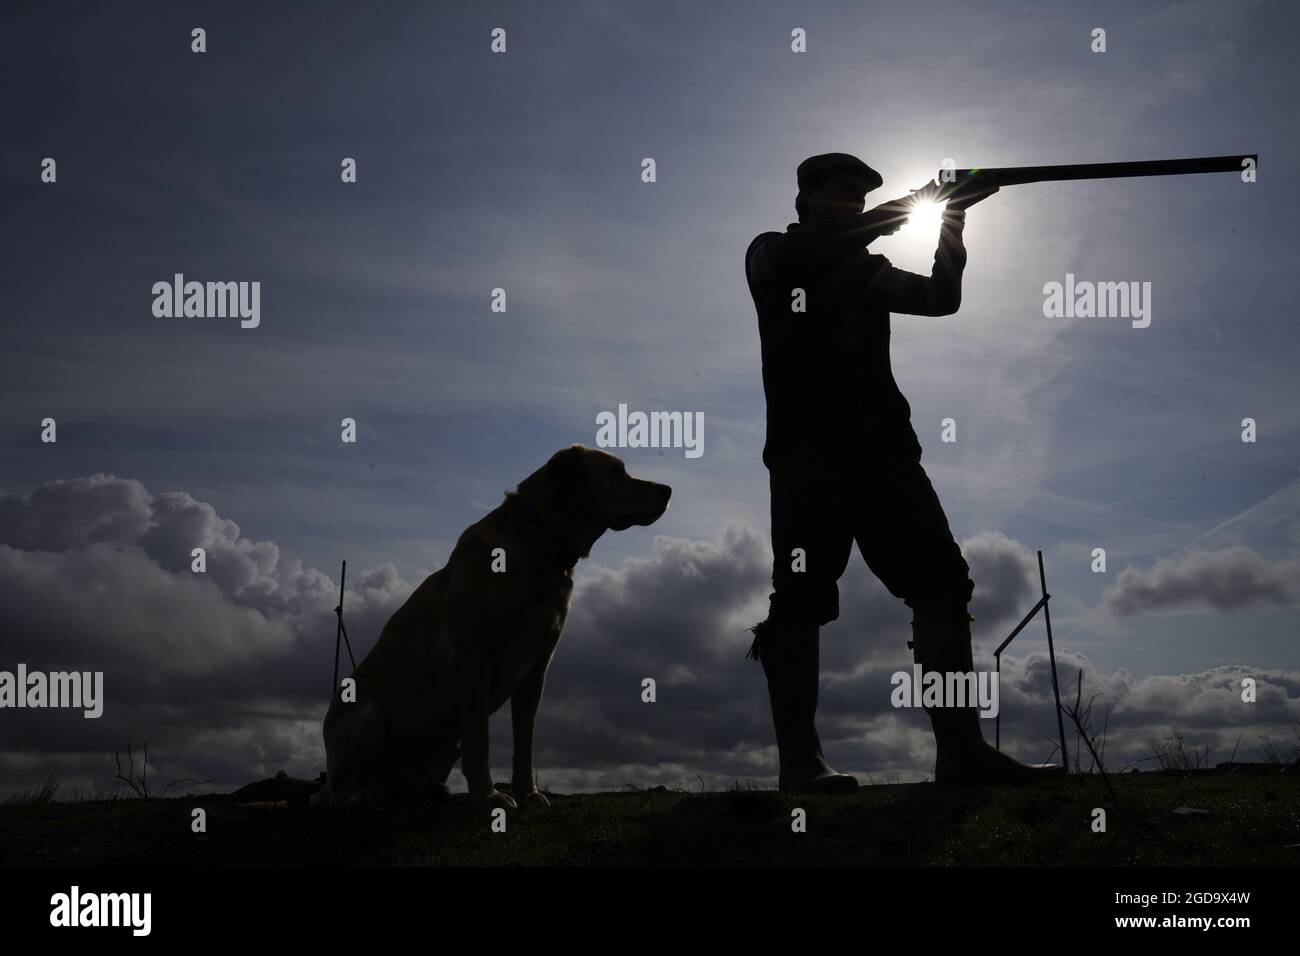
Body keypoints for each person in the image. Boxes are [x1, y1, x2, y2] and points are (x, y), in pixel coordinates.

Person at [744, 152, 1054, 790]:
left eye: (859, 199)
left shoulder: (867, 270)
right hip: (810, 457)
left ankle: (961, 752)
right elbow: (813, 254)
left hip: (888, 453)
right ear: (804, 197)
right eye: (840, 196)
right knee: (802, 598)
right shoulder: (771, 254)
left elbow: (942, 299)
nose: (851, 207)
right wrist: (912, 203)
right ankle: (800, 764)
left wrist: (951, 221)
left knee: (942, 586)